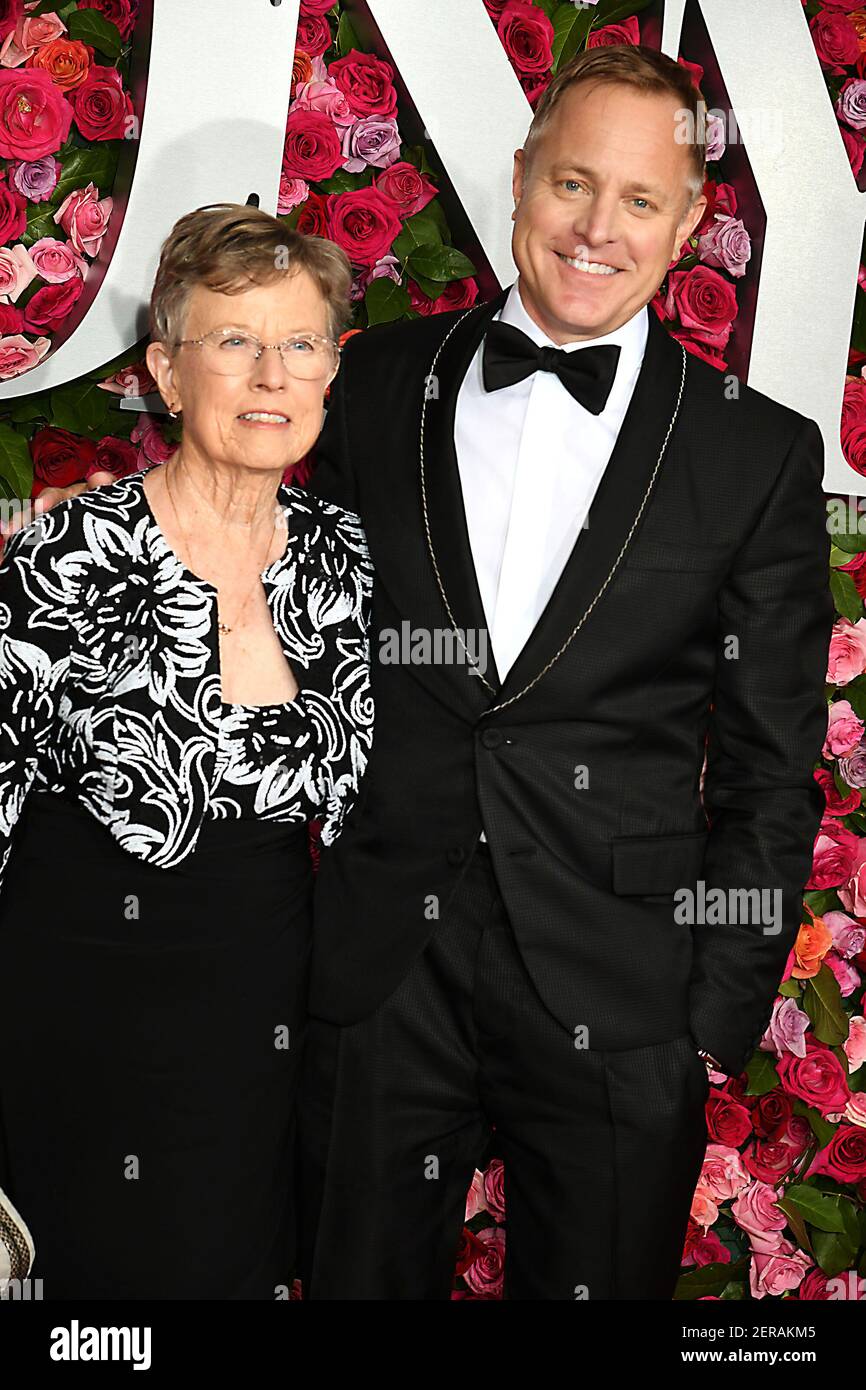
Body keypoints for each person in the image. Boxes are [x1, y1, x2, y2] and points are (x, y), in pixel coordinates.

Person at [35, 46, 834, 1301]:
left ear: (687, 223)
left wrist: (707, 1019)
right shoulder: (374, 381)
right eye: (573, 182)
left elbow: (771, 773)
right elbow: (253, 542)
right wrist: (86, 528)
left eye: (638, 199)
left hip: (620, 999)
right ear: (518, 180)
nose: (595, 227)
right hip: (377, 980)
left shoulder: (755, 455)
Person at [0, 203, 373, 1300]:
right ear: (166, 371)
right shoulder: (74, 544)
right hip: (79, 996)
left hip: (264, 1003)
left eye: (297, 343)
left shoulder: (344, 556)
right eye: (233, 341)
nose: (269, 374)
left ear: (328, 372)